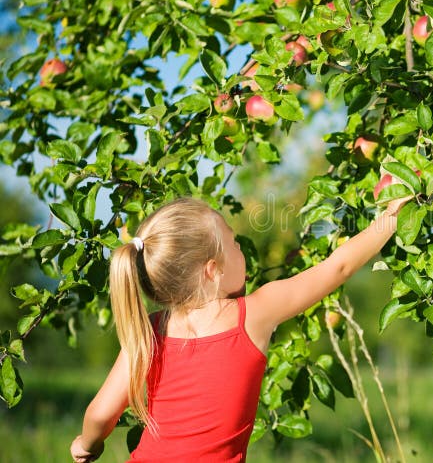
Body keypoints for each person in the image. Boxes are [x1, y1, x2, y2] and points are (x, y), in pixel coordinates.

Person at [70, 195, 411, 462]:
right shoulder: (255, 314)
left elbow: (100, 414)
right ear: (212, 270)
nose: (241, 249)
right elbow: (338, 267)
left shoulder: (149, 331)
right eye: (234, 244)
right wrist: (392, 217)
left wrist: (87, 444)